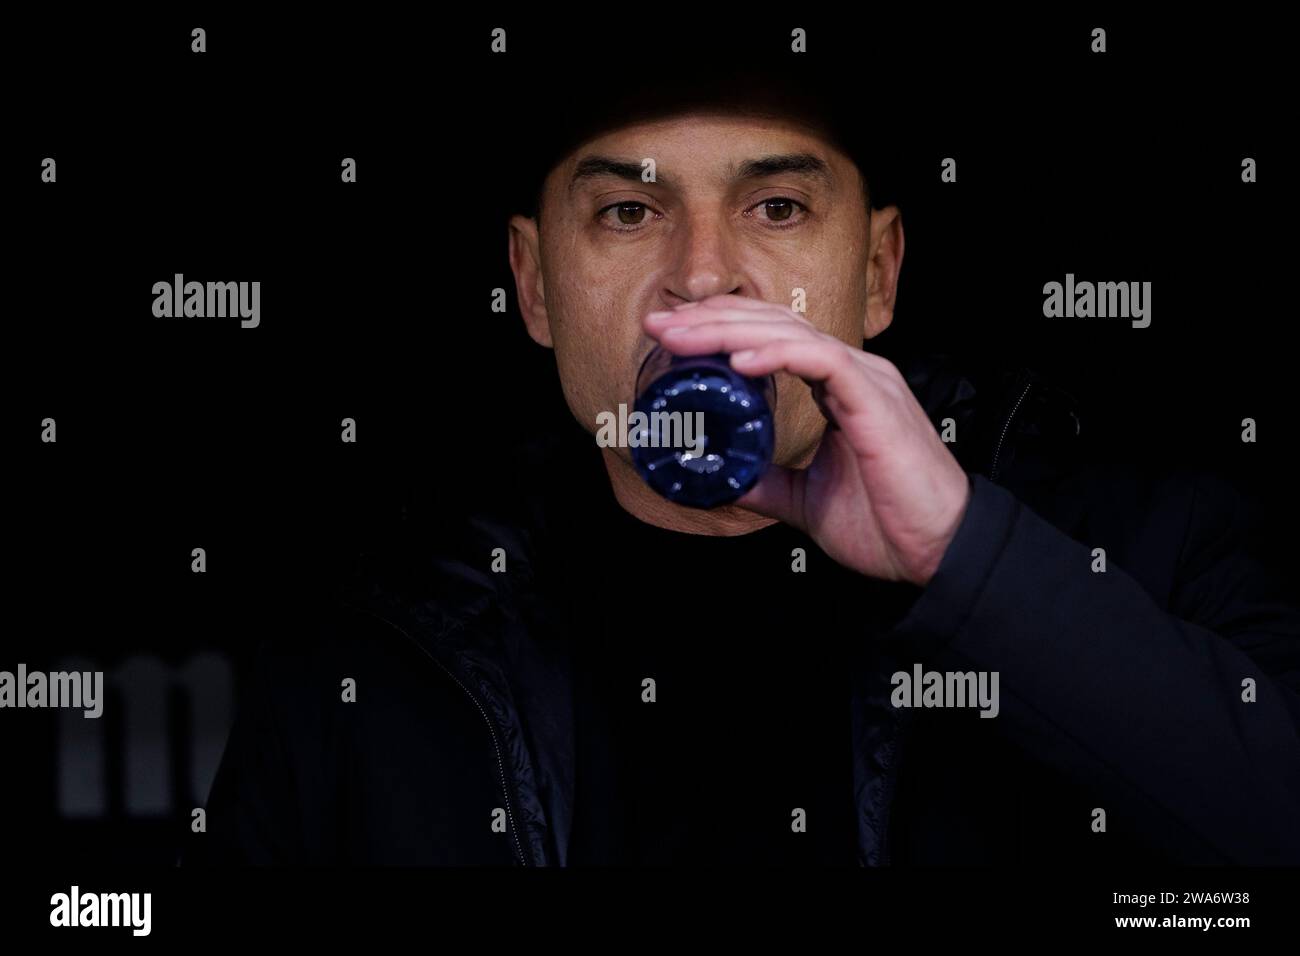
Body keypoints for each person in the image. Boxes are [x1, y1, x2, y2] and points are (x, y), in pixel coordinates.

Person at [186, 71, 1300, 867]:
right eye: (629, 211)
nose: (704, 276)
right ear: (532, 285)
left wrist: (968, 560)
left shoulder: (1147, 546)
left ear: (875, 272)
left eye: (776, 207)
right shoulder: (375, 649)